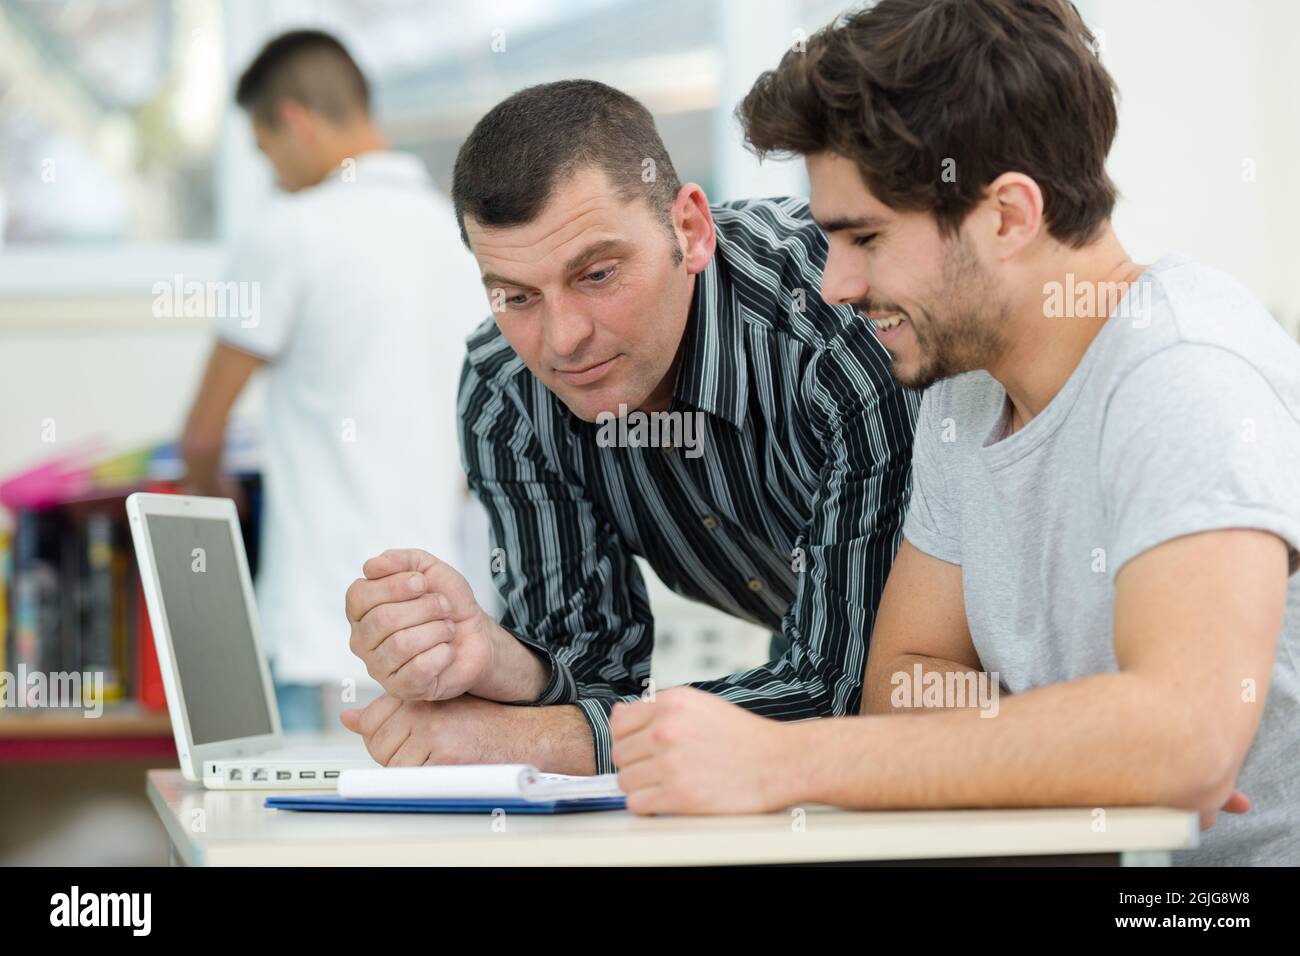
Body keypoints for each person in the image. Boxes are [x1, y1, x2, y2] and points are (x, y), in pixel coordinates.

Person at [607, 0, 1300, 867]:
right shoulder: (967, 389)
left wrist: (782, 758)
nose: (836, 286)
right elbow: (903, 677)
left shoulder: (1184, 370)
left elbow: (1184, 742)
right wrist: (1098, 743)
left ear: (1009, 215)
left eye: (865, 237)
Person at [339, 79, 918, 774]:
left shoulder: (836, 329)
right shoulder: (508, 394)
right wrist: (503, 664)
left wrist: (518, 739)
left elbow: (846, 690)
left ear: (691, 230)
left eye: (597, 275)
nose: (561, 340)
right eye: (517, 296)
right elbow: (596, 670)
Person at [181, 30, 487, 730]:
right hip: (451, 629)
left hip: (326, 626)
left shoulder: (290, 230)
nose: (273, 175)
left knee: (299, 830)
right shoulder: (460, 231)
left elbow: (201, 434)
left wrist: (213, 501)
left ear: (294, 120)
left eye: (266, 154)